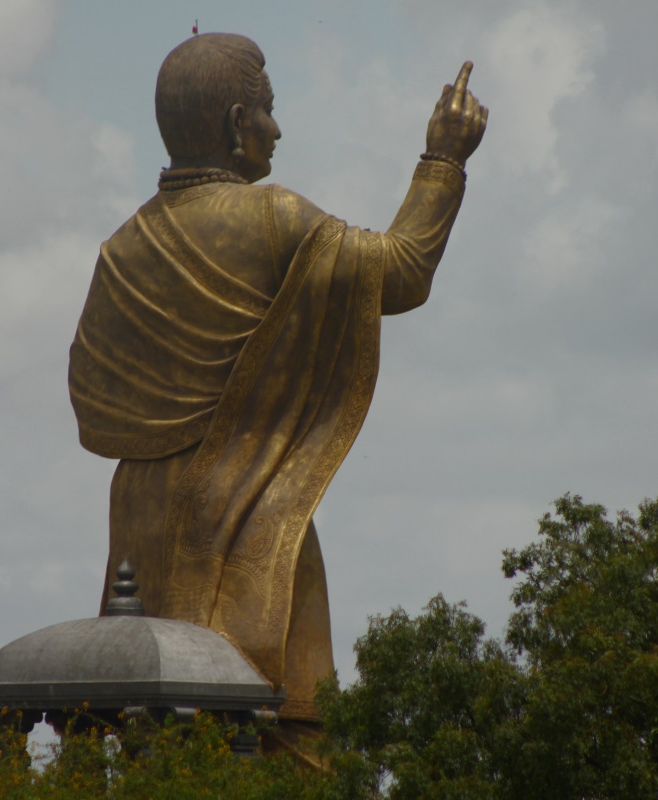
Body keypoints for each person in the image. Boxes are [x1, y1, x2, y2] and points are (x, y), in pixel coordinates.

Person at [69, 33, 487, 722]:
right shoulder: (274, 218)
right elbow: (404, 272)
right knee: (282, 725)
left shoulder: (120, 250)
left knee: (156, 725)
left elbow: (92, 404)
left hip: (141, 515)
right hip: (252, 499)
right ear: (238, 124)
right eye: (267, 110)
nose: (277, 127)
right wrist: (443, 158)